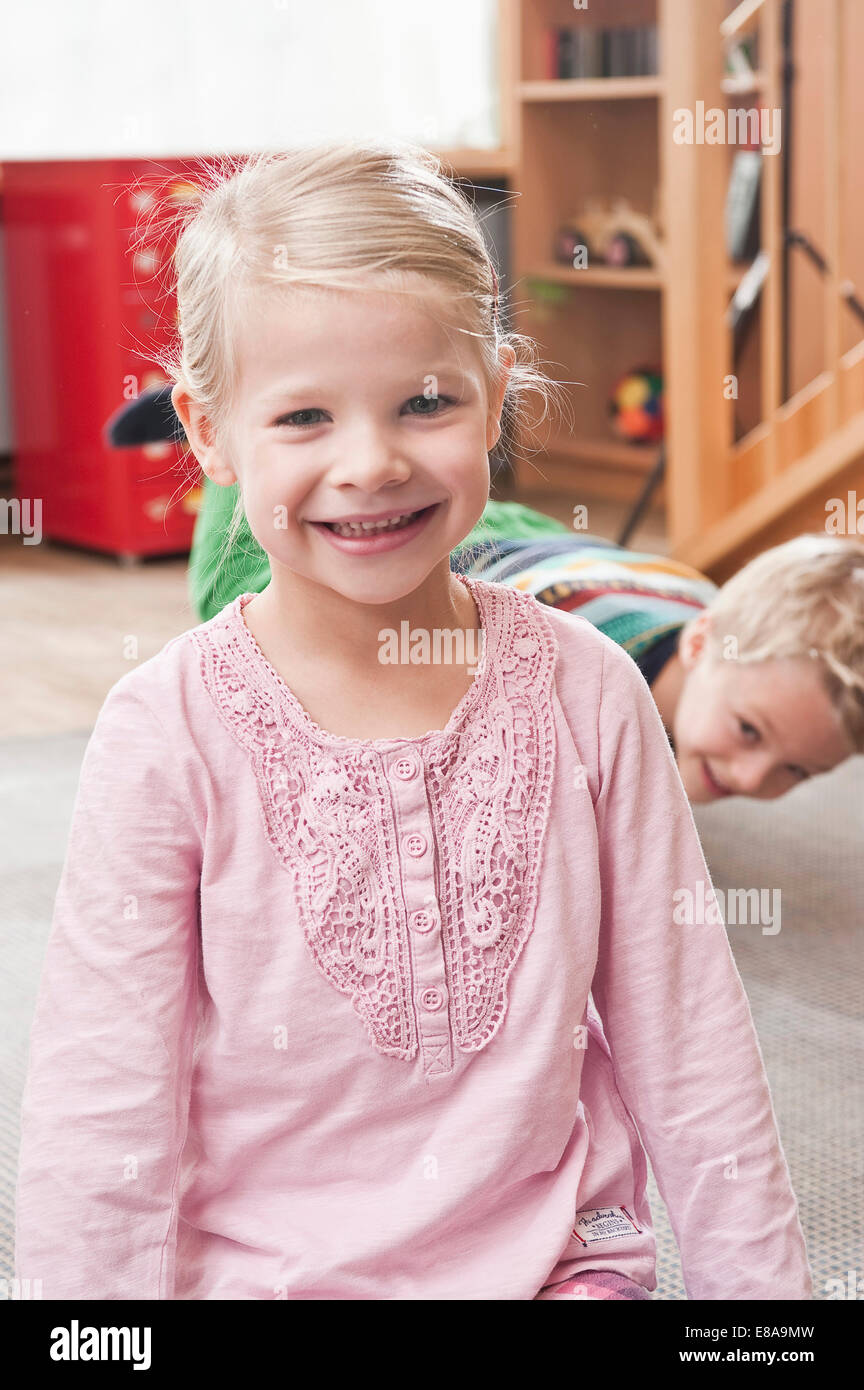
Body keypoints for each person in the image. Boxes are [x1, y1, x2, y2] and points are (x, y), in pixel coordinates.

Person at [15, 143, 813, 1300]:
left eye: (425, 402)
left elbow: (690, 1040)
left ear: (494, 392)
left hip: (556, 1270)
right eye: (303, 416)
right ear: (208, 431)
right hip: (259, 1280)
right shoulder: (163, 729)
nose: (373, 461)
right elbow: (102, 1097)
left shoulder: (594, 692)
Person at [190, 475, 864, 804]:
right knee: (256, 598)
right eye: (750, 731)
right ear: (700, 644)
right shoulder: (551, 673)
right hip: (473, 565)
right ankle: (231, 426)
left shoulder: (725, 630)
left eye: (796, 772)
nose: (751, 779)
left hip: (545, 546)